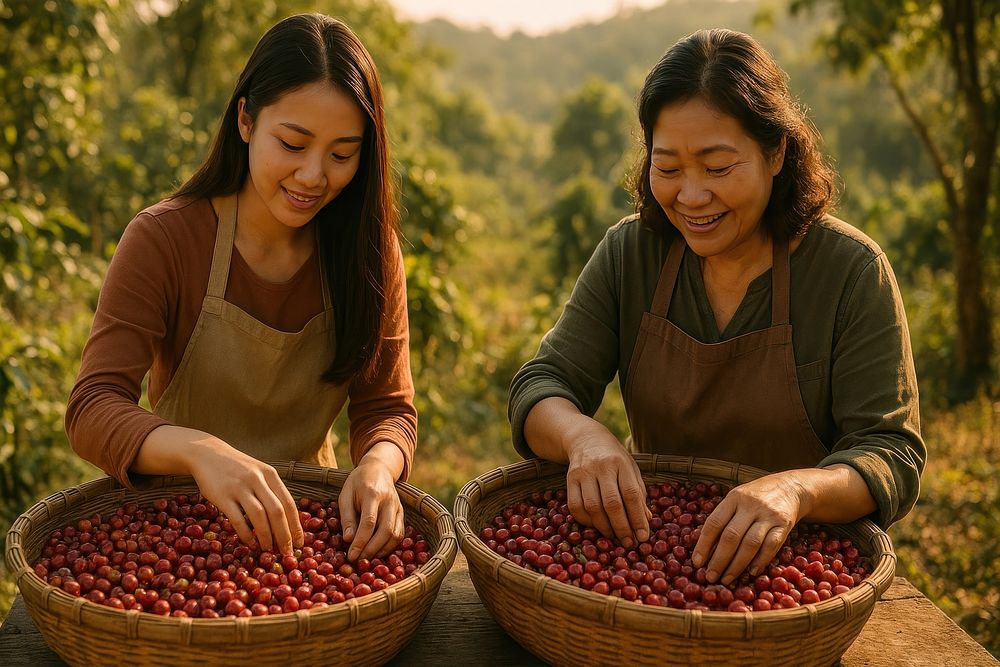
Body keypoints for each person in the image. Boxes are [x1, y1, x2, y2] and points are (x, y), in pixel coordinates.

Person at [508, 28, 925, 588]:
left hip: (791, 565)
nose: (692, 195)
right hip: (650, 549)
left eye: (718, 166)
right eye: (669, 167)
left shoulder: (849, 272)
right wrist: (584, 437)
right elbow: (542, 384)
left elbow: (889, 452)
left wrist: (793, 490)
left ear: (775, 153)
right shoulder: (632, 253)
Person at [67, 13, 416, 563]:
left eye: (342, 154)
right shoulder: (166, 239)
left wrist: (378, 465)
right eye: (293, 143)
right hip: (177, 533)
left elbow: (387, 409)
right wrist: (202, 454)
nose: (314, 176)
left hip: (306, 529)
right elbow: (92, 407)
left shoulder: (368, 253)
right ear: (246, 121)